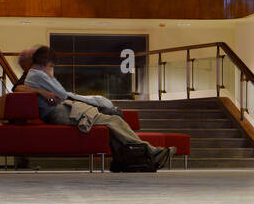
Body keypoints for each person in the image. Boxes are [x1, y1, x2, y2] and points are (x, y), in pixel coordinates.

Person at [21, 46, 173, 173]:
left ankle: (129, 159)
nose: (52, 69)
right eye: (51, 66)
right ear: (44, 63)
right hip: (59, 112)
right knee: (113, 120)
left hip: (60, 110)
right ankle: (150, 151)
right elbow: (61, 93)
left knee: (112, 121)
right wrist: (50, 81)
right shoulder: (39, 75)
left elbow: (59, 94)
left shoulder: (34, 76)